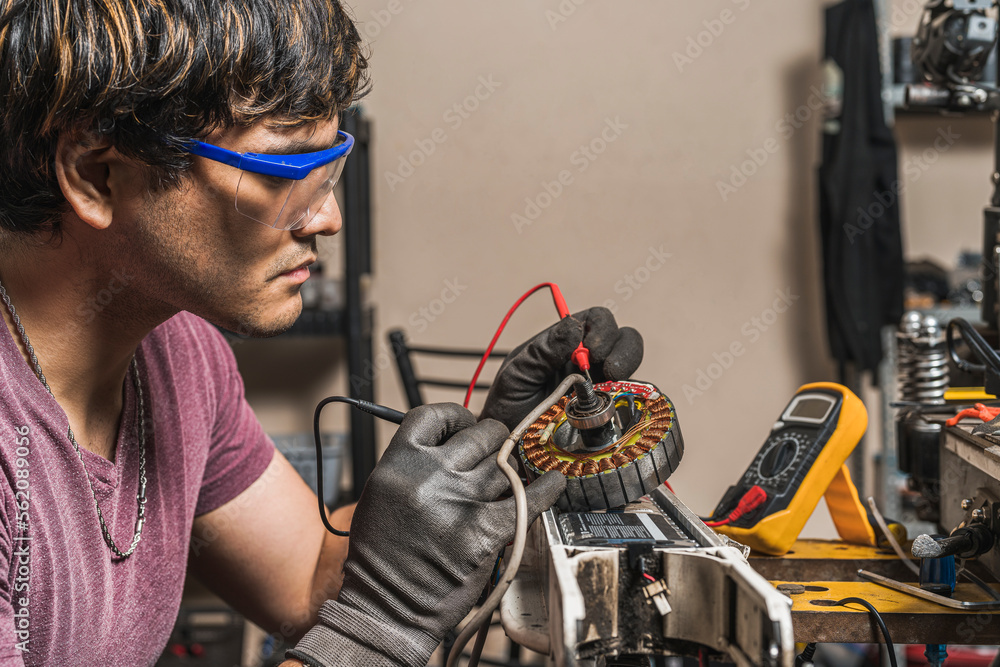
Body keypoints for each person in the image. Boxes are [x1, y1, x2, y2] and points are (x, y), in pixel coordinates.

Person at [0, 2, 643, 666]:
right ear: (96, 175)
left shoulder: (181, 354)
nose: (328, 217)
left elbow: (308, 576)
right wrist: (376, 624)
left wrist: (508, 450)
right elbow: (363, 613)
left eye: (330, 164)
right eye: (282, 171)